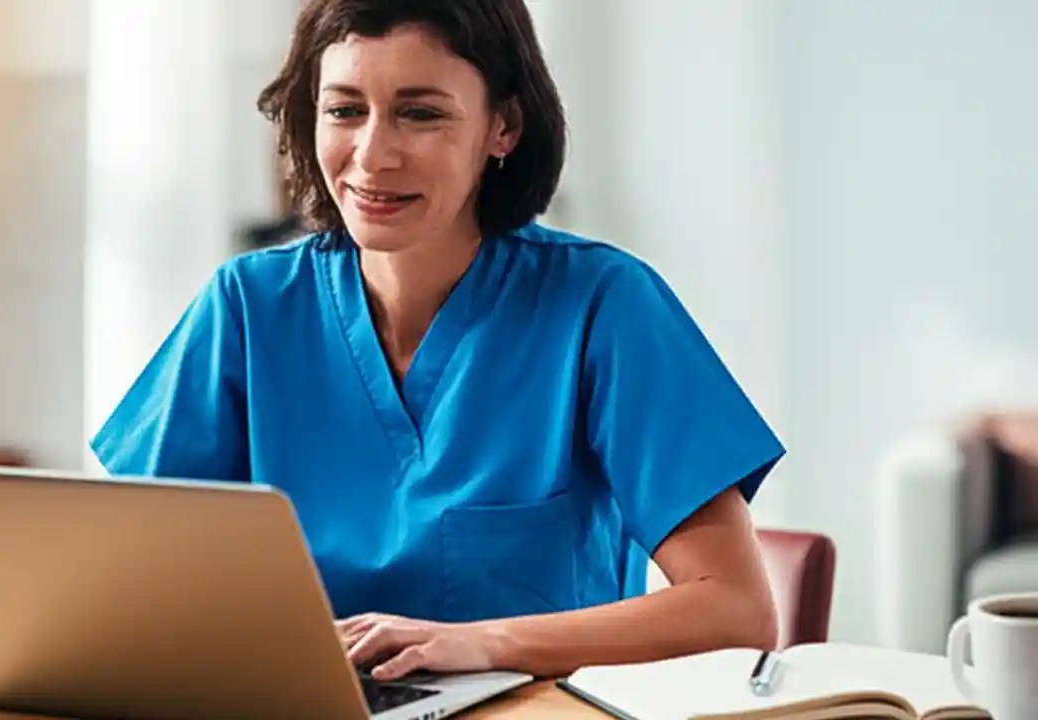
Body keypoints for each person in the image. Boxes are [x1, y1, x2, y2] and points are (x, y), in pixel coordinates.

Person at [91, 0, 785, 683]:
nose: (372, 154)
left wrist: (476, 643)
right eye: (344, 110)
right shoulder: (248, 307)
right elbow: (127, 586)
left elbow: (735, 612)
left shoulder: (603, 305)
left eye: (419, 113)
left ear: (503, 126)